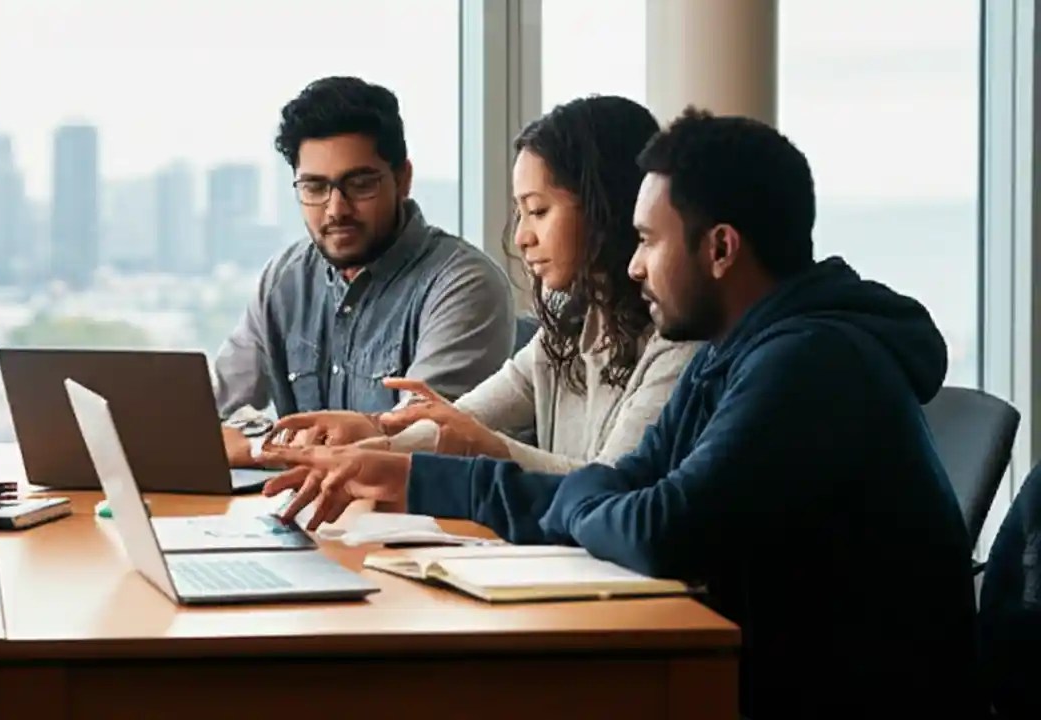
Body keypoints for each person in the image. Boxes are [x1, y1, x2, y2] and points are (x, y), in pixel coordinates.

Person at [258, 108, 981, 718]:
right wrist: (415, 482)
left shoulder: (809, 363)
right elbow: (626, 487)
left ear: (721, 249)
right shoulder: (736, 353)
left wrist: (593, 495)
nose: (634, 267)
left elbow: (656, 526)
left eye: (648, 240)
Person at [264, 95, 700, 474]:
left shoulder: (678, 344)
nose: (522, 237)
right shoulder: (571, 325)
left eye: (539, 211)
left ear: (604, 205)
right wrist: (373, 439)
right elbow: (467, 417)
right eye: (521, 212)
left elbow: (613, 488)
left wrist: (484, 446)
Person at [211, 76, 514, 467]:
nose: (336, 208)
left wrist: (258, 447)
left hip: (418, 522)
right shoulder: (285, 278)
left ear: (402, 179)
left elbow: (421, 440)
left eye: (359, 184)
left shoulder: (463, 284)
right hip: (301, 514)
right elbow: (212, 415)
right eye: (314, 187)